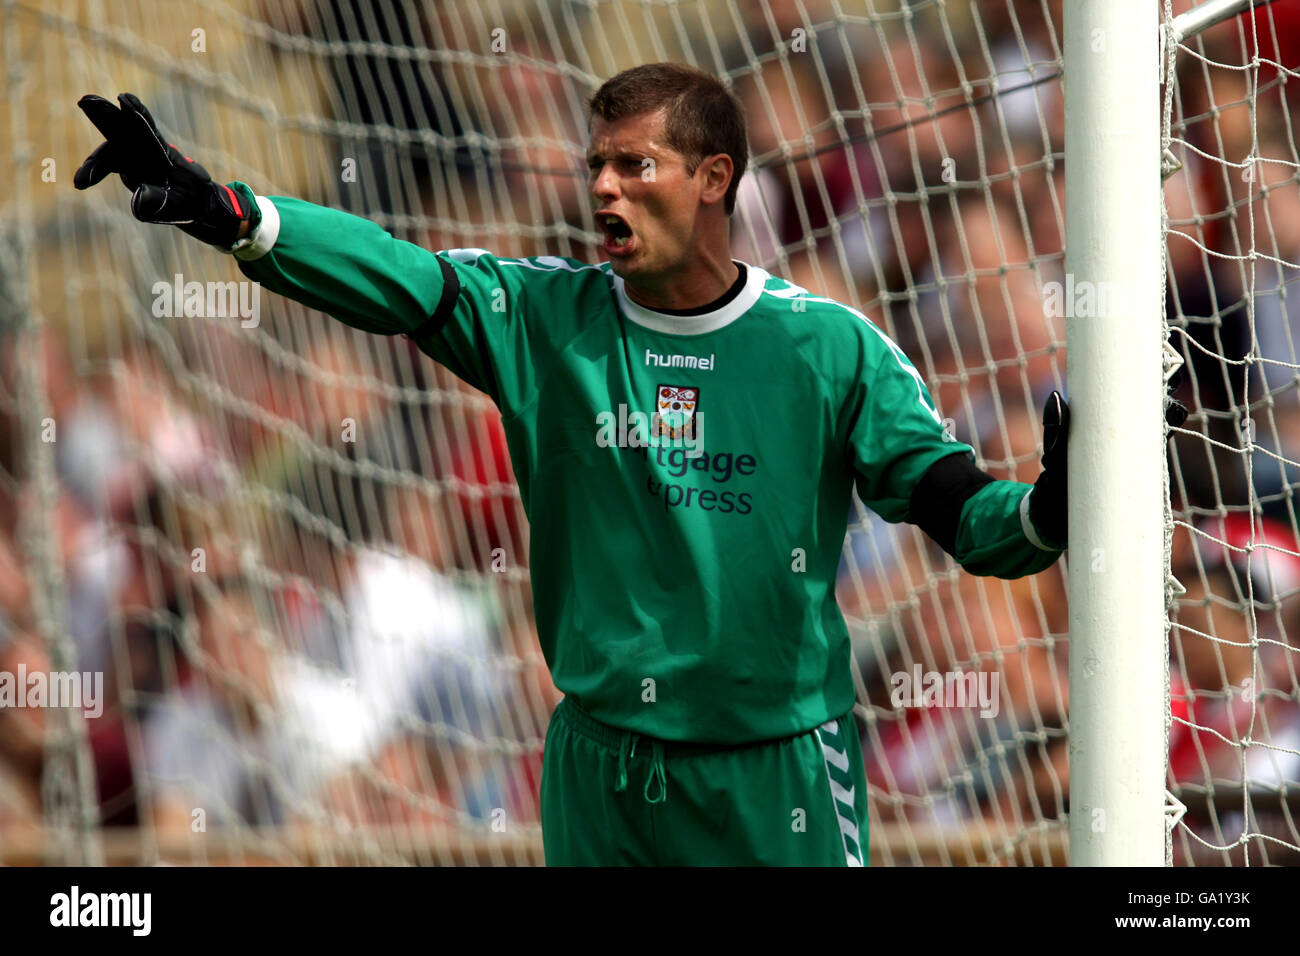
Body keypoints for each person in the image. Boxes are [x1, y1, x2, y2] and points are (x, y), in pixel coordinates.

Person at [73, 62, 1069, 866]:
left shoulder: (829, 347)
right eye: (596, 164)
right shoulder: (545, 318)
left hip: (777, 774)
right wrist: (234, 213)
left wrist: (1044, 514)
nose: (602, 186)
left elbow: (956, 505)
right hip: (600, 766)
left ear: (714, 178)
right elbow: (399, 276)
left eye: (634, 165)